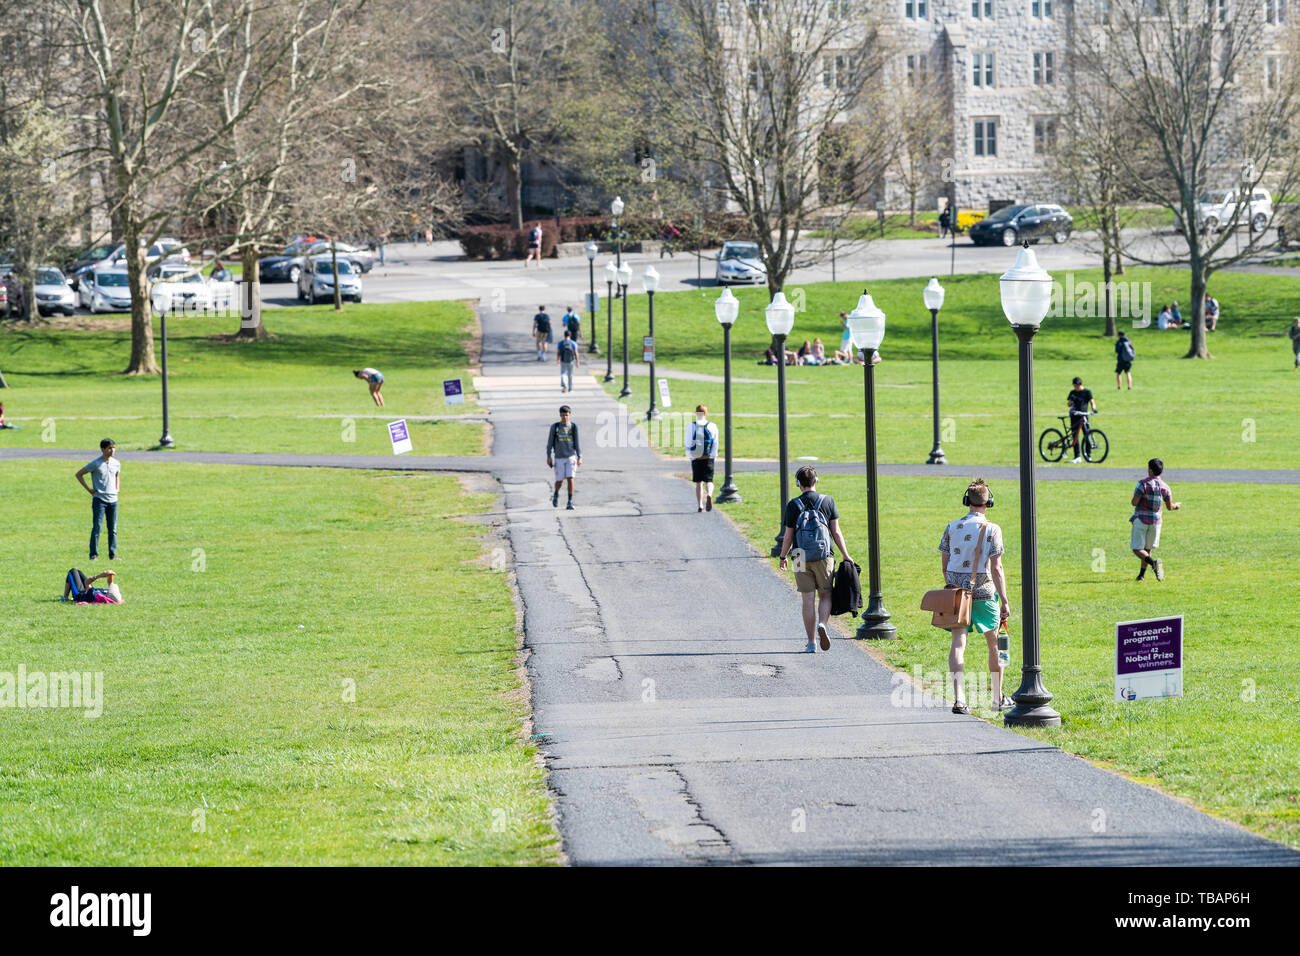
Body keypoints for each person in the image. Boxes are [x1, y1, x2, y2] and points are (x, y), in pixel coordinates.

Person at [938, 479, 1012, 714]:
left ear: (966, 501)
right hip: (984, 590)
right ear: (988, 502)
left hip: (956, 592)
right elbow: (997, 568)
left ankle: (960, 699)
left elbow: (945, 563)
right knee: (996, 643)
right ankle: (998, 696)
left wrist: (953, 582)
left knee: (958, 644)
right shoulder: (993, 529)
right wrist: (1005, 599)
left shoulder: (951, 526)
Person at [776, 466, 854, 654]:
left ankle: (811, 643)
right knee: (825, 595)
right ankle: (822, 624)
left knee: (807, 599)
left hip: (799, 555)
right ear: (816, 481)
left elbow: (788, 536)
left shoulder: (793, 505)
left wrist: (782, 556)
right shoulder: (827, 501)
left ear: (798, 484)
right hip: (824, 554)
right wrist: (845, 554)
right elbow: (836, 532)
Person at [1130, 457, 1181, 582]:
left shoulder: (1143, 484)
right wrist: (1176, 506)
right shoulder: (1165, 487)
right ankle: (1141, 575)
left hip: (1141, 519)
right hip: (1156, 522)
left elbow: (1134, 502)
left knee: (1137, 549)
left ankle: (1153, 564)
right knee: (1147, 549)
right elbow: (1169, 506)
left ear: (1150, 470)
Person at [75, 438, 120, 561]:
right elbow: (79, 474)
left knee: (113, 529)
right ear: (102, 449)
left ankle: (113, 554)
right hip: (100, 500)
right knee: (97, 528)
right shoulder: (96, 463)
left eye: (114, 448)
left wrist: (117, 488)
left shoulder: (116, 463)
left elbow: (116, 475)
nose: (112, 450)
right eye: (109, 448)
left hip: (113, 500)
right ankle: (93, 555)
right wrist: (89, 489)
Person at [546, 405, 582, 510]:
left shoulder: (573, 427)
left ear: (569, 415)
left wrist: (579, 457)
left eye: (566, 415)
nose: (564, 417)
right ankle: (556, 493)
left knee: (570, 478)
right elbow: (549, 443)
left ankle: (570, 501)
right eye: (562, 415)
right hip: (559, 457)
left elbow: (577, 443)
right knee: (559, 480)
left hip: (571, 456)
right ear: (560, 415)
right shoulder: (555, 427)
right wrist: (549, 456)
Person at [685, 404, 719, 512]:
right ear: (706, 413)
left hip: (696, 457)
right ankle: (709, 494)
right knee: (709, 481)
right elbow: (715, 443)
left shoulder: (691, 426)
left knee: (699, 482)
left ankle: (700, 505)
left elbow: (688, 443)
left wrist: (691, 457)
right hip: (708, 456)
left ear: (696, 413)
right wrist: (714, 456)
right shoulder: (712, 426)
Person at [1066, 376, 1096, 463]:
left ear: (1080, 384)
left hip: (1084, 416)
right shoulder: (1072, 393)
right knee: (1075, 436)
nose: (1075, 388)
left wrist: (1093, 409)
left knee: (1087, 434)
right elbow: (1068, 404)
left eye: (1076, 386)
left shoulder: (1087, 392)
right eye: (1074, 386)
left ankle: (1088, 455)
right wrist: (1071, 402)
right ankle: (1077, 456)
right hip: (1075, 416)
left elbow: (1092, 402)